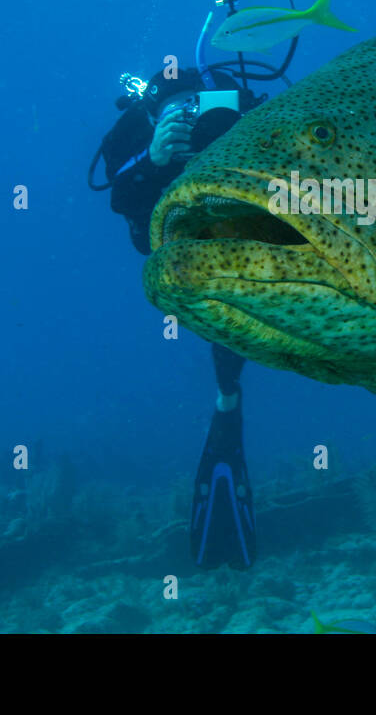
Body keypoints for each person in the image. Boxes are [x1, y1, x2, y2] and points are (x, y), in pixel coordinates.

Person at [91, 66, 264, 569]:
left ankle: (229, 392)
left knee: (237, 293)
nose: (192, 119)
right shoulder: (131, 135)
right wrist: (156, 156)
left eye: (198, 107)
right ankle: (226, 397)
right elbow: (118, 198)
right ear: (152, 113)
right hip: (164, 235)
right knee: (209, 296)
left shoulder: (236, 114)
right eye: (178, 111)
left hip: (236, 223)